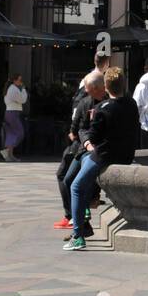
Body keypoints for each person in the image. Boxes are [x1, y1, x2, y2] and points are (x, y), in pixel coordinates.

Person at [64, 68, 138, 252]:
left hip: (105, 155)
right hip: (127, 154)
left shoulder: (102, 109)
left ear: (106, 87)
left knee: (76, 186)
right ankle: (89, 204)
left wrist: (88, 140)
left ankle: (78, 235)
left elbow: (94, 138)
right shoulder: (132, 103)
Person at [55, 71, 106, 231]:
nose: (88, 93)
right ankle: (80, 219)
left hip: (101, 150)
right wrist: (87, 143)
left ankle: (79, 226)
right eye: (87, 90)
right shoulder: (85, 102)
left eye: (90, 90)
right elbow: (79, 128)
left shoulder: (109, 103)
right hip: (84, 149)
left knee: (77, 182)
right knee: (69, 179)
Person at [1, 73, 27, 161]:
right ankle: (7, 151)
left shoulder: (12, 89)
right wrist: (23, 90)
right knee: (19, 133)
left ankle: (10, 155)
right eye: (19, 80)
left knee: (12, 133)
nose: (21, 82)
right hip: (12, 113)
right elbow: (23, 100)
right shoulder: (13, 89)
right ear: (14, 81)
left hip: (11, 113)